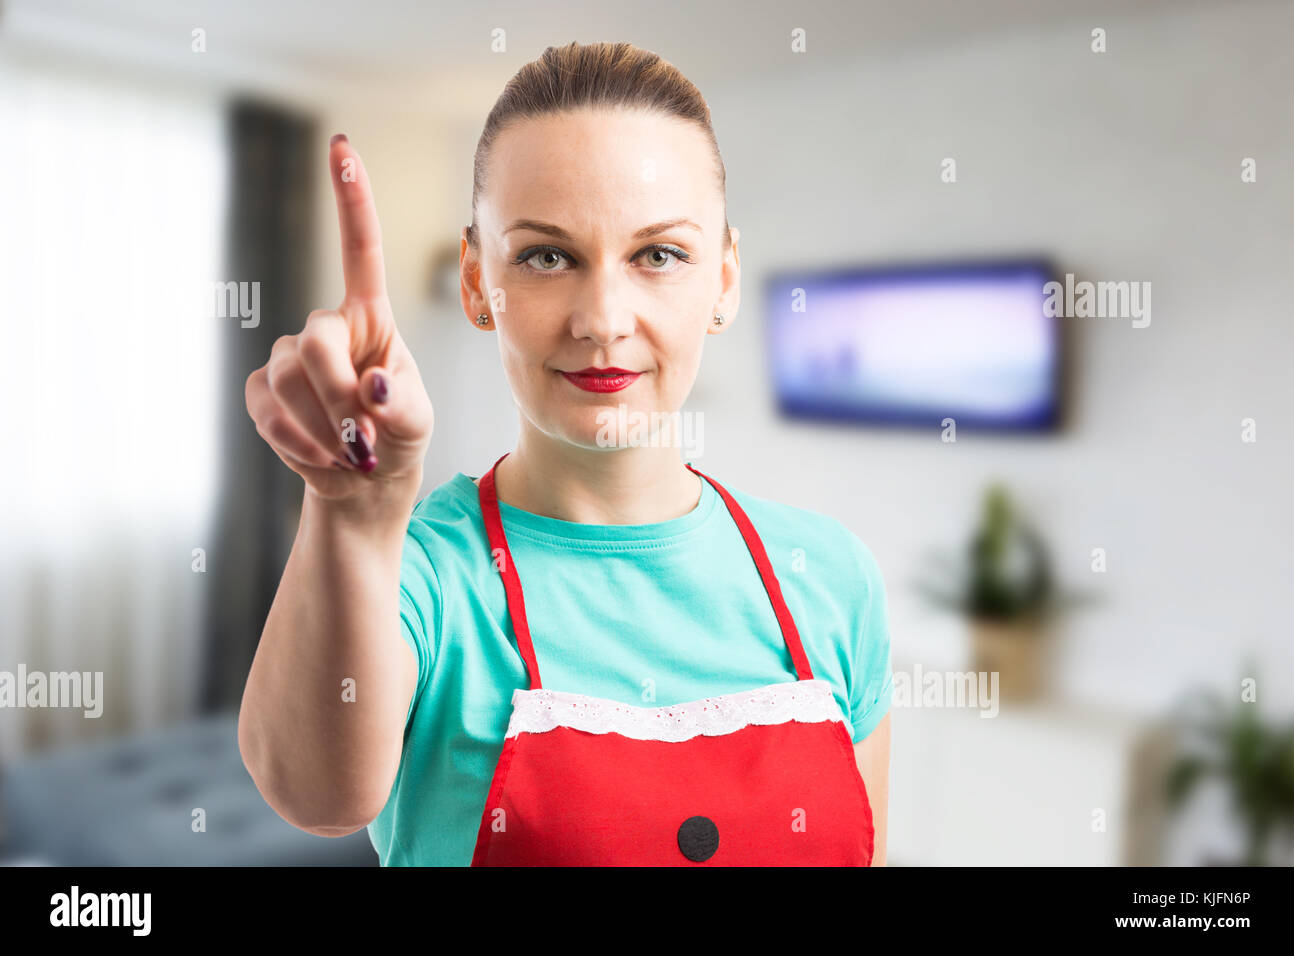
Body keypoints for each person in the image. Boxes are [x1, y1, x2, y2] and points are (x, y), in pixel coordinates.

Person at [238, 40, 892, 866]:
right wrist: (351, 512)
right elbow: (314, 793)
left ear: (724, 279)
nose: (603, 319)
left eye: (659, 255)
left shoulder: (831, 577)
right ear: (479, 285)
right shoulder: (421, 576)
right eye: (548, 257)